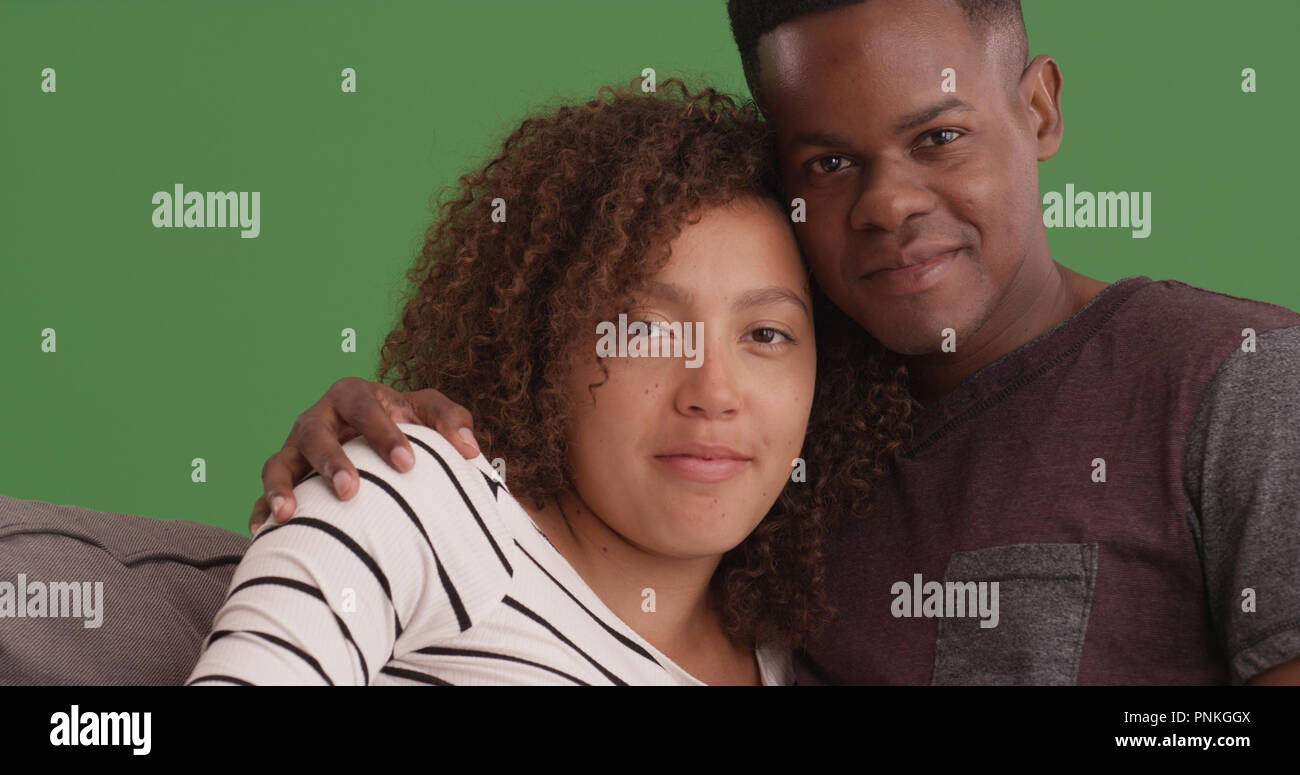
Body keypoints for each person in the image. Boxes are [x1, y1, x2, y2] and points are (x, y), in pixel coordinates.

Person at [251, 0, 1300, 685]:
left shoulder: (1240, 383)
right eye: (831, 162)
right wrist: (383, 450)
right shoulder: (785, 471)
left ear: (1038, 108)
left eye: (938, 137)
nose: (889, 202)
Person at [189, 78, 911, 685]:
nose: (712, 390)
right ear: (544, 343)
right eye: (645, 329)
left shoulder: (800, 650)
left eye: (765, 334)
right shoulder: (408, 499)